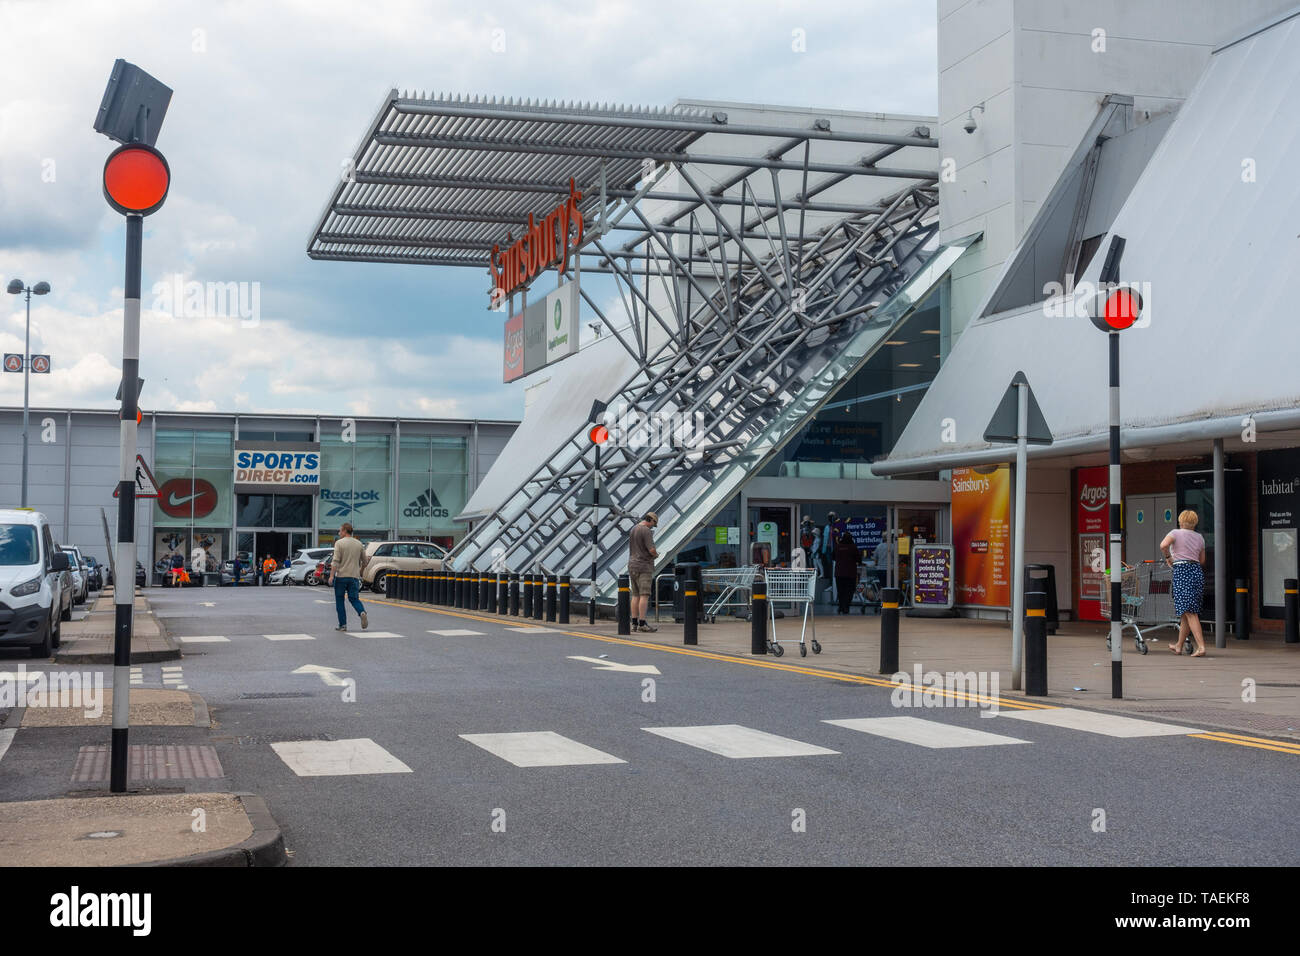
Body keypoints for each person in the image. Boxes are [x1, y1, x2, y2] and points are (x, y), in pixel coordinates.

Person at [1161, 510, 1207, 656]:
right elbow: (1202, 560)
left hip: (1182, 571)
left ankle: (1201, 647)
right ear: (1195, 522)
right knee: (1185, 613)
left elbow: (1163, 545)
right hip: (1196, 572)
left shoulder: (1175, 533)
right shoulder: (1200, 537)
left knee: (1190, 612)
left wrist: (1169, 557)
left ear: (1181, 521)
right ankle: (1179, 645)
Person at [330, 523, 369, 631]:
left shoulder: (339, 543)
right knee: (354, 599)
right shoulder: (359, 543)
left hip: (341, 576)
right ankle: (361, 612)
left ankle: (343, 625)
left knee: (339, 600)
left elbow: (335, 561)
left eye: (340, 531)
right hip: (354, 577)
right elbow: (365, 561)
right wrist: (360, 571)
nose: (339, 533)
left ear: (344, 531)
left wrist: (331, 576)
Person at [628, 511, 658, 633]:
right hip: (643, 566)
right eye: (653, 524)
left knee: (635, 595)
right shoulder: (646, 531)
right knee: (644, 595)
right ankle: (642, 623)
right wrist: (656, 555)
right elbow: (651, 549)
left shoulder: (634, 529)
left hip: (632, 565)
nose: (652, 527)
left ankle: (634, 623)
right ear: (651, 520)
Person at [832, 532, 860, 614]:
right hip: (850, 573)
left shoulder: (837, 547)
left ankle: (841, 607)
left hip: (839, 573)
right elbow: (858, 559)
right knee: (849, 591)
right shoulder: (853, 547)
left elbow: (833, 557)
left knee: (841, 591)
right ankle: (846, 607)